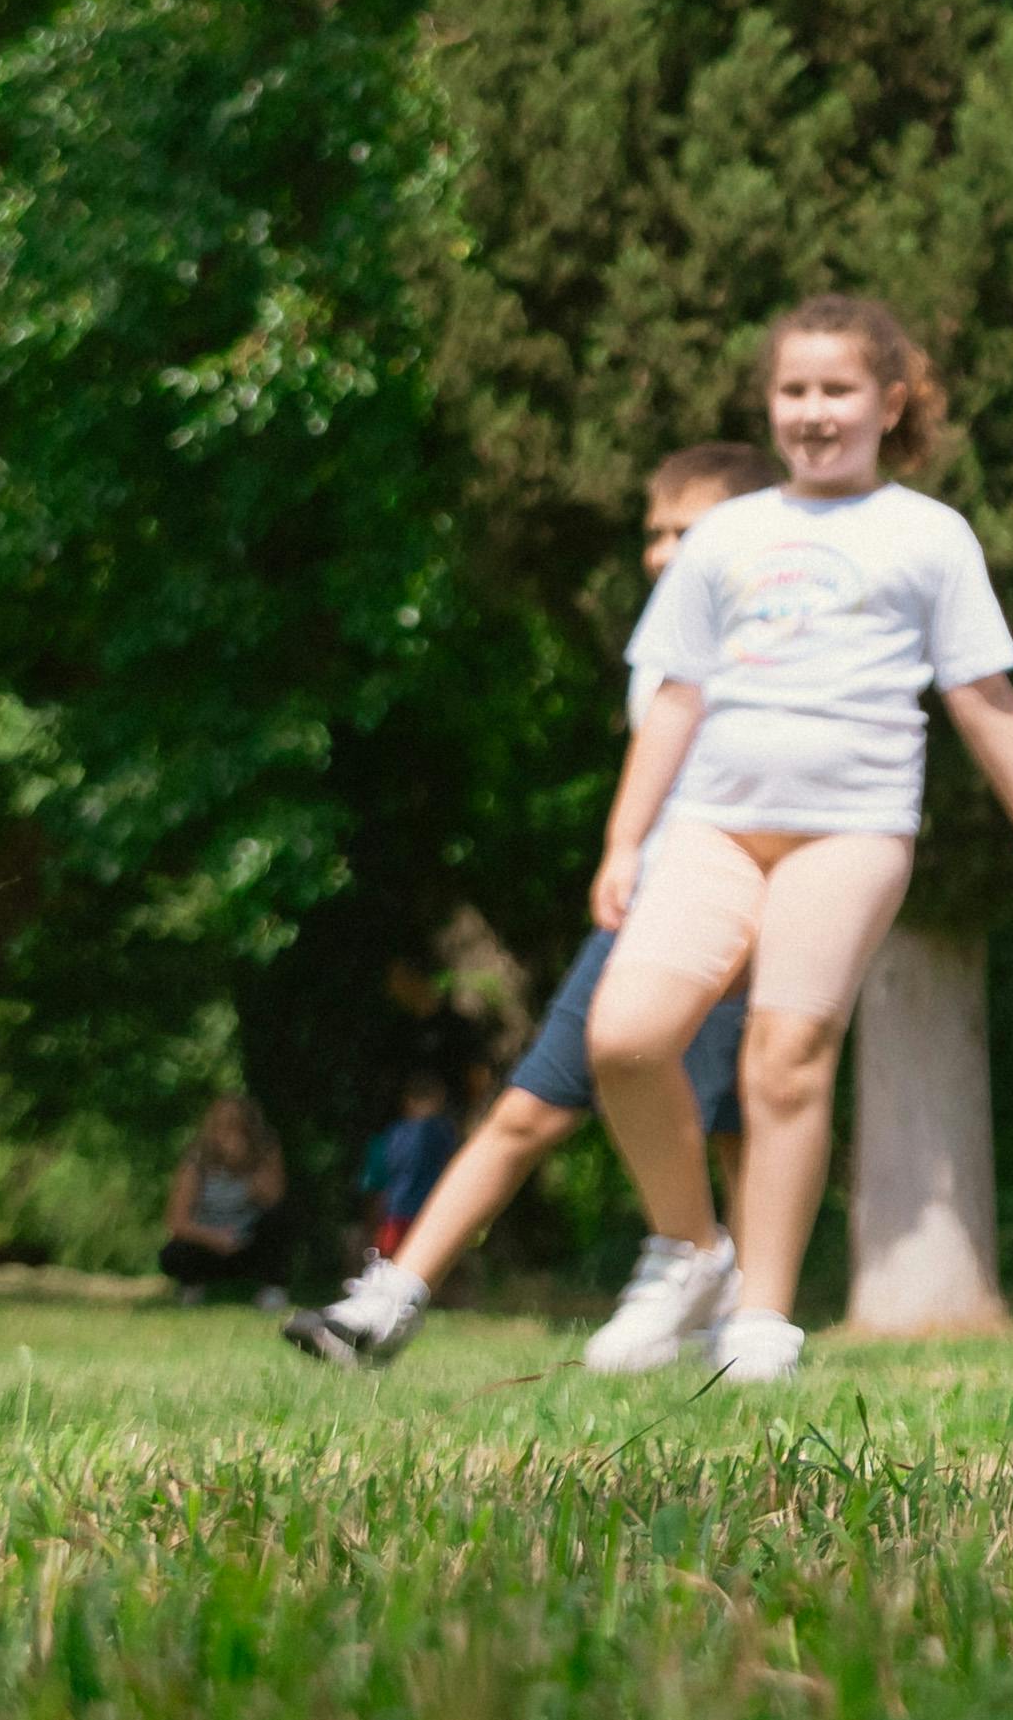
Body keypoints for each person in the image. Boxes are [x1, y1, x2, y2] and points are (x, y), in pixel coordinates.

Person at [581, 294, 1013, 1387]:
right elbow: (673, 699)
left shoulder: (928, 534)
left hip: (850, 829)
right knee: (623, 1036)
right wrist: (623, 841)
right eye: (793, 390)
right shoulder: (728, 534)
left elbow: (981, 691)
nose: (813, 410)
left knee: (787, 1058)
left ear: (889, 403)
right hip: (710, 823)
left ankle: (763, 1316)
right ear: (770, 403)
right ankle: (689, 1250)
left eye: (837, 389)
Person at [292, 442, 783, 1369]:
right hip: (648, 902)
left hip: (727, 904)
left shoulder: (767, 635)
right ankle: (387, 1302)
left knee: (728, 1128)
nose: (659, 551)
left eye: (687, 529)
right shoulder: (665, 646)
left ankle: (745, 1323)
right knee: (527, 1105)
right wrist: (623, 850)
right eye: (654, 533)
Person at [157, 1094, 289, 1302]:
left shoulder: (265, 1152)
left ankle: (272, 1289)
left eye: (238, 1127)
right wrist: (213, 1238)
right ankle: (192, 1287)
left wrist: (243, 1166)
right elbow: (176, 1222)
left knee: (281, 1221)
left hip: (248, 1241)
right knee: (174, 1253)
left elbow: (274, 1200)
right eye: (224, 1126)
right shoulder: (196, 1160)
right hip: (207, 1241)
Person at [355, 1075, 462, 1264]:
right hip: (433, 1214)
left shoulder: (388, 1136)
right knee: (438, 1268)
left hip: (395, 1214)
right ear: (439, 1099)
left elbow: (376, 1185)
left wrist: (371, 1227)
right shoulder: (443, 1132)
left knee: (390, 1266)